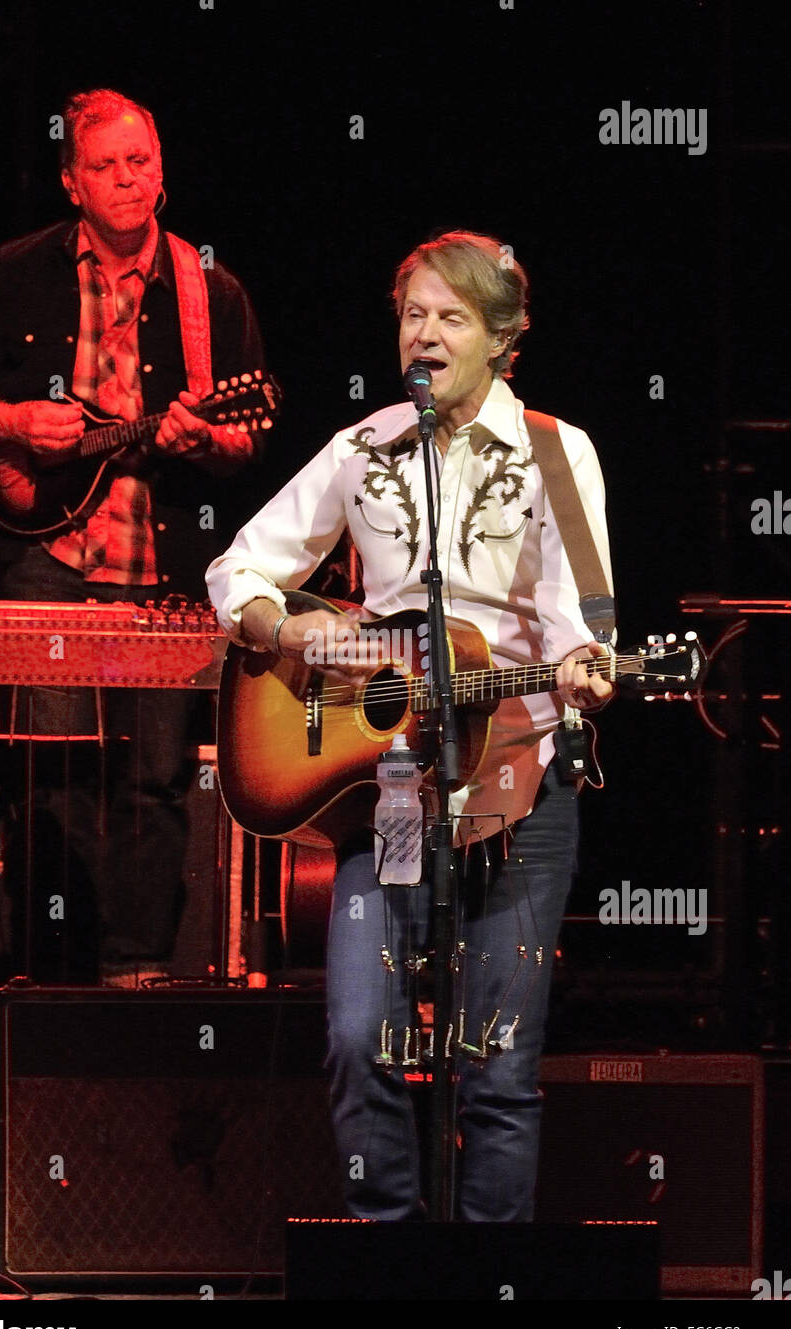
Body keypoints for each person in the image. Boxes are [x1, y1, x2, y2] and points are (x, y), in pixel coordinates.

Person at [206, 230, 614, 1220]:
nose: (423, 334)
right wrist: (285, 622)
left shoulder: (559, 452)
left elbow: (585, 628)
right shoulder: (363, 446)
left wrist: (585, 673)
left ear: (500, 338)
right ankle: (386, 1265)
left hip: (518, 785)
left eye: (451, 317)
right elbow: (236, 570)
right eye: (411, 314)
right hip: (386, 787)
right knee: (356, 1039)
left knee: (500, 1070)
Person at [0, 88, 265, 988]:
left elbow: (249, 439)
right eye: (107, 166)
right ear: (73, 182)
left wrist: (215, 441)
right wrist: (14, 421)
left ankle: (138, 968)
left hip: (161, 567)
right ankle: (53, 973)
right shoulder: (17, 271)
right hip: (44, 555)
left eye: (141, 162)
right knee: (52, 772)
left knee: (155, 777)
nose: (127, 180)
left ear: (162, 170)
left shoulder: (210, 290)